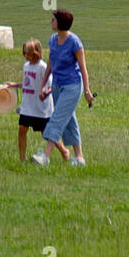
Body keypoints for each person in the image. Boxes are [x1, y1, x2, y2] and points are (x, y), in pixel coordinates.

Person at [37, 9, 93, 167]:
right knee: (69, 120)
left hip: (73, 86)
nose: (51, 22)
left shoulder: (75, 42)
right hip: (57, 85)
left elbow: (83, 68)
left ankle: (45, 156)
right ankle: (79, 158)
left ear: (60, 23)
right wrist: (43, 85)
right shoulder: (53, 40)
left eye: (53, 19)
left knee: (57, 118)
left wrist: (87, 91)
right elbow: (51, 62)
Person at [4, 39, 69, 164]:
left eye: (27, 53)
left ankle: (64, 151)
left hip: (41, 108)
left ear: (35, 53)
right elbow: (28, 84)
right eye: (24, 53)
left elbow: (52, 85)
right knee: (22, 129)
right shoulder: (26, 66)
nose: (25, 56)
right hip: (27, 106)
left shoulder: (43, 67)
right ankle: (21, 159)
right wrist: (15, 85)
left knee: (46, 133)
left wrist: (45, 93)